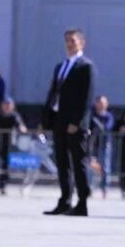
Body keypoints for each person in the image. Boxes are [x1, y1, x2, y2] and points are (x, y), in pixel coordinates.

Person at [42, 28, 95, 216]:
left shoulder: (85, 66)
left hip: (74, 123)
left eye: (73, 41)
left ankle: (82, 202)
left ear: (82, 43)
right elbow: (54, 92)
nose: (69, 44)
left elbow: (86, 98)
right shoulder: (61, 66)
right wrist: (46, 118)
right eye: (67, 41)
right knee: (62, 162)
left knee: (78, 162)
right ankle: (64, 200)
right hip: (59, 119)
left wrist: (77, 122)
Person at [88, 95, 114, 197]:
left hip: (104, 144)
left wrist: (99, 125)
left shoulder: (109, 116)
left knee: (105, 167)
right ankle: (90, 188)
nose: (101, 105)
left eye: (103, 103)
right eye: (99, 103)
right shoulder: (91, 115)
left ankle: (105, 189)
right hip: (92, 143)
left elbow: (107, 127)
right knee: (91, 167)